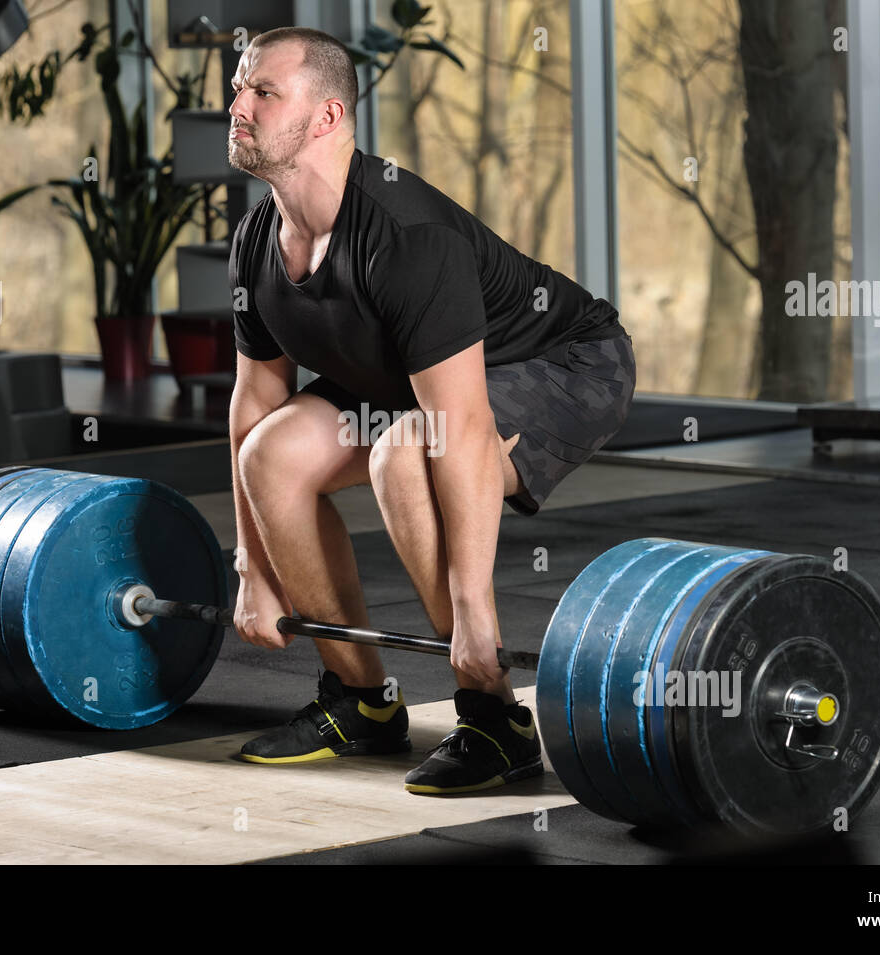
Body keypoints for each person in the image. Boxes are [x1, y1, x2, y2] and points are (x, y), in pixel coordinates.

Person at [224, 26, 635, 793]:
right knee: (271, 456)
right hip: (406, 380)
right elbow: (255, 403)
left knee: (405, 452)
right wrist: (251, 563)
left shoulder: (405, 235)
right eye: (240, 87)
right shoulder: (255, 244)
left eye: (262, 91)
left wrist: (474, 610)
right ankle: (362, 703)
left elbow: (459, 425)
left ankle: (492, 715)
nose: (236, 104)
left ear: (326, 118)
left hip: (566, 360)